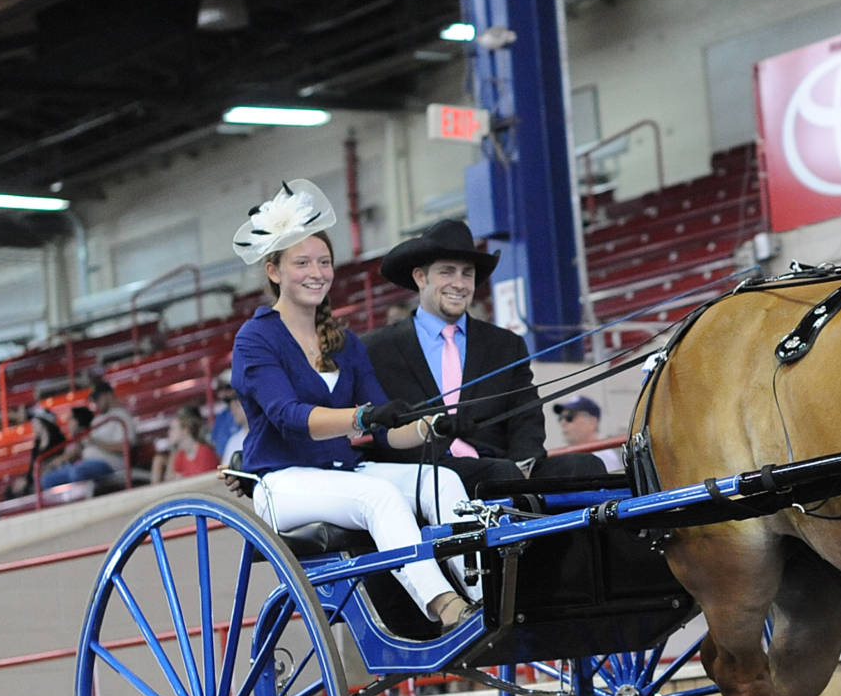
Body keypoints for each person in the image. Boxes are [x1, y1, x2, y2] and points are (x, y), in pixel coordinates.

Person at [229, 179, 476, 631]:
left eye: (324, 262)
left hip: (344, 471)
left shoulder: (344, 341)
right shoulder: (255, 338)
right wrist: (360, 417)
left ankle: (482, 597)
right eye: (302, 262)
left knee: (442, 481)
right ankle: (443, 605)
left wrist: (431, 426)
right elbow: (289, 416)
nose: (317, 272)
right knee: (379, 496)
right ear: (274, 271)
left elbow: (387, 427)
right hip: (282, 482)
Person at [362, 219, 601, 488]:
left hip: (501, 469)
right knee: (498, 474)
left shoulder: (506, 344)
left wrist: (524, 465)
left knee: (587, 467)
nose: (459, 284)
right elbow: (376, 427)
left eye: (467, 274)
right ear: (420, 277)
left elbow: (526, 416)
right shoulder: (376, 349)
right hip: (425, 475)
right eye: (447, 272)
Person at [41, 378, 135, 490]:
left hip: (110, 464)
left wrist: (94, 442)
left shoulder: (122, 416)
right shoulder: (97, 420)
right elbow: (85, 447)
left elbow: (125, 447)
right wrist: (79, 444)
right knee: (47, 479)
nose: (95, 403)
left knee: (78, 473)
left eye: (97, 399)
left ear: (108, 395)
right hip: (86, 463)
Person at [552, 394, 625, 473]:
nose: (563, 422)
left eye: (569, 416)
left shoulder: (603, 457)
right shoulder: (565, 458)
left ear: (592, 421)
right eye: (560, 418)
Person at [151, 406, 219, 483]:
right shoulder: (180, 455)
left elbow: (206, 484)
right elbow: (171, 482)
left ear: (185, 430)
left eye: (173, 429)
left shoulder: (205, 452)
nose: (169, 432)